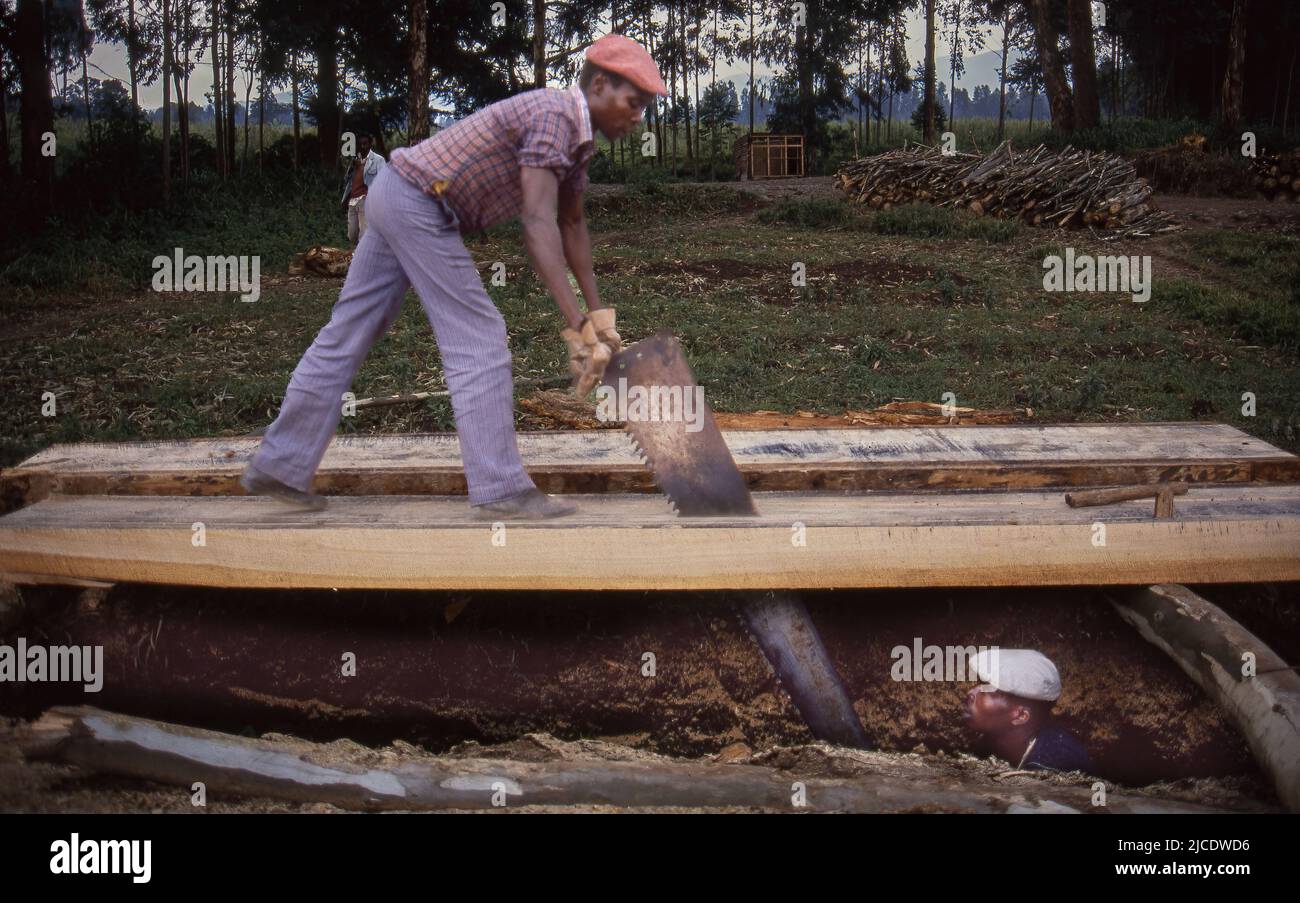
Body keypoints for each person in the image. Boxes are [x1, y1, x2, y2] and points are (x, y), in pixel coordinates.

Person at [241, 33, 666, 519]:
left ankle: (279, 463)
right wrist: (577, 327)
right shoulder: (556, 116)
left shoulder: (578, 142)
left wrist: (598, 317)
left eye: (643, 110)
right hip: (419, 202)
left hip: (396, 193)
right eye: (633, 103)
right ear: (598, 86)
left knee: (351, 329)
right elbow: (536, 221)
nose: (637, 118)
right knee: (480, 336)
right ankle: (501, 488)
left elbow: (571, 223)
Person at [963, 648, 1094, 774]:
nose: (971, 692)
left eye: (988, 692)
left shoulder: (1057, 764)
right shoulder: (991, 740)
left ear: (1020, 716)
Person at [340, 133, 385, 244]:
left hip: (365, 199)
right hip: (352, 200)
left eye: (365, 144)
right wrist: (353, 167)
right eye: (360, 144)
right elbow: (346, 180)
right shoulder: (355, 160)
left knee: (364, 235)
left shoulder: (378, 160)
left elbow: (384, 180)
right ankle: (360, 251)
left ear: (370, 144)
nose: (363, 146)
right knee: (352, 235)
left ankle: (362, 257)